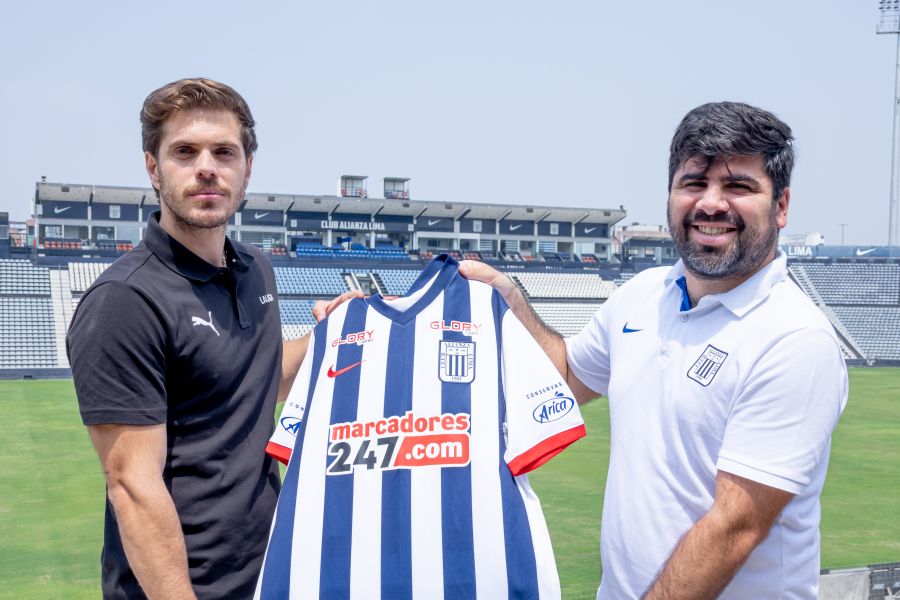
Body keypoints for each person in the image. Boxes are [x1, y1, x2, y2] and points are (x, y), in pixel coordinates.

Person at [459, 101, 848, 599]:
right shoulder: (641, 295)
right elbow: (568, 379)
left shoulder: (795, 339)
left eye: (738, 186)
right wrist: (511, 300)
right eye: (693, 183)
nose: (711, 204)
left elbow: (734, 528)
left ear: (782, 206)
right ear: (671, 195)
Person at [67, 78, 358, 600]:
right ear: (153, 168)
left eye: (224, 151)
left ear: (247, 168)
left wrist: (333, 333)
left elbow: (256, 383)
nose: (207, 166)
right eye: (184, 151)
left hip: (271, 574)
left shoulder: (255, 270)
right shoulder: (124, 300)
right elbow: (132, 487)